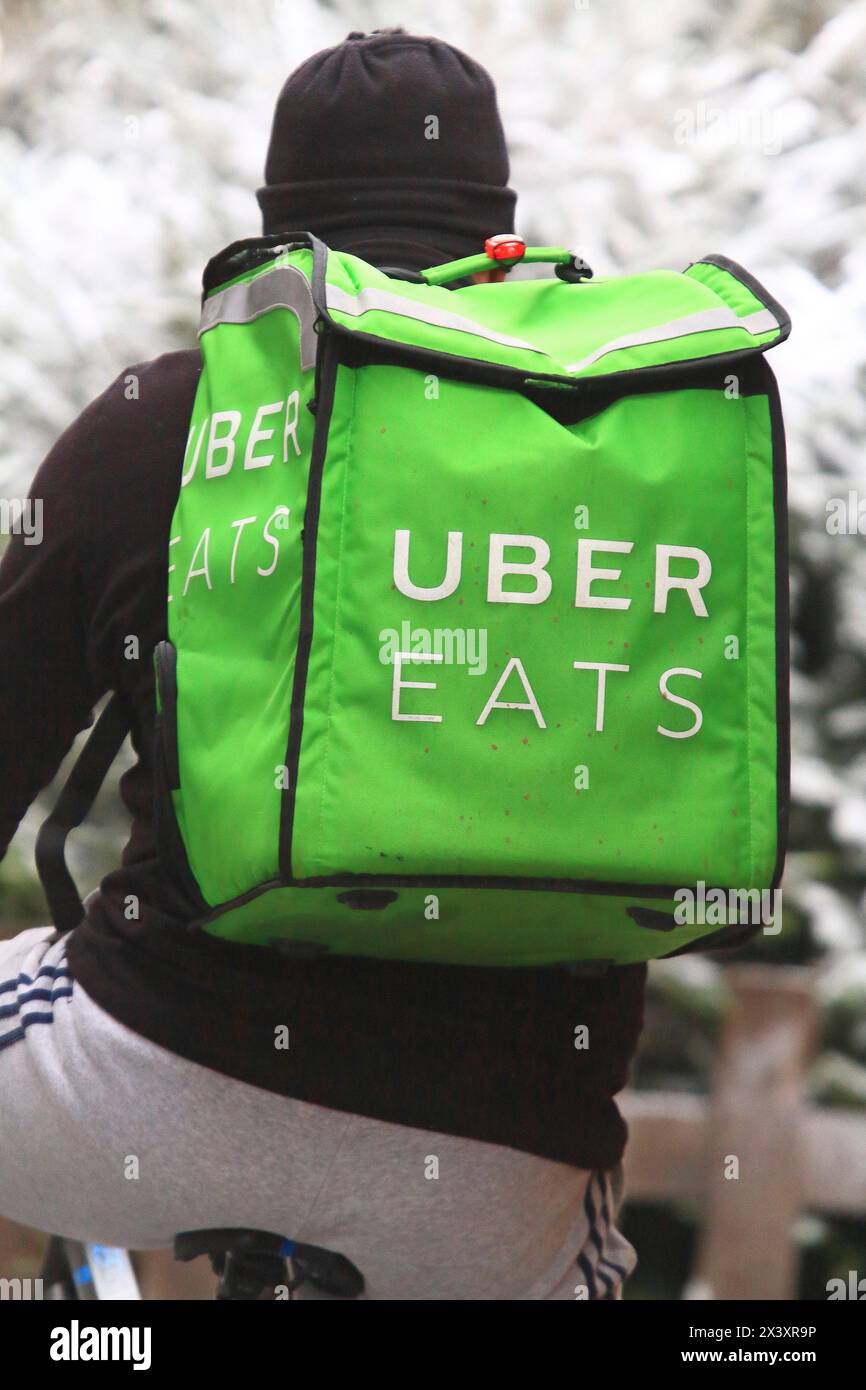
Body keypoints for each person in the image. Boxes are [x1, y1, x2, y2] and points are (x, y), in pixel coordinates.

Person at [0, 29, 643, 1300]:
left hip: (153, 1077)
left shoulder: (163, 422)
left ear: (275, 225)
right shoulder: (619, 444)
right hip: (498, 1161)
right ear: (498, 223)